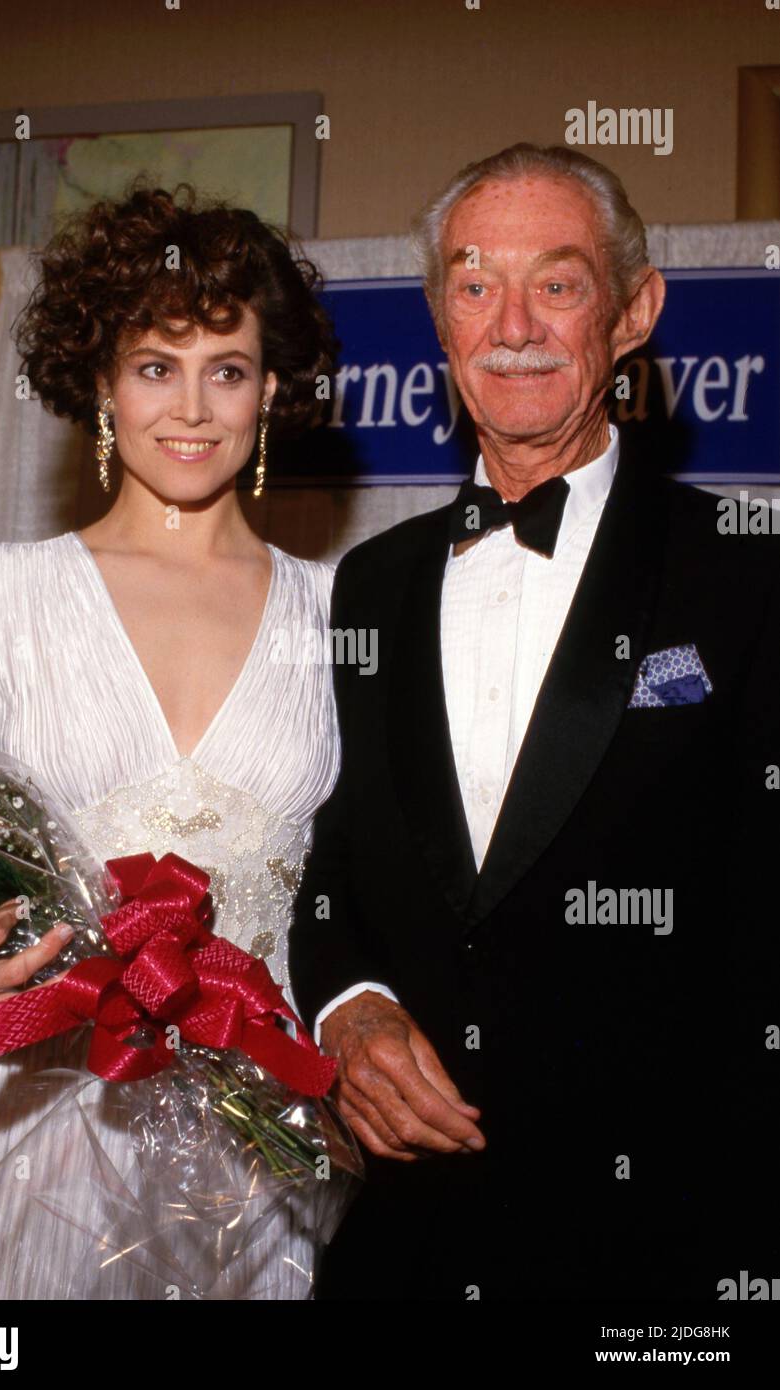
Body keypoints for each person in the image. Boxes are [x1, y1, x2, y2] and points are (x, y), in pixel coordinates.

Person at [289, 142, 780, 1300]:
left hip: (664, 1241)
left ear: (632, 311)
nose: (511, 324)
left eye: (555, 284)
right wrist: (349, 1007)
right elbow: (343, 852)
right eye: (473, 284)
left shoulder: (747, 575)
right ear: (438, 315)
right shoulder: (372, 581)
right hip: (402, 1236)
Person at [0, 181, 340, 1299]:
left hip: (260, 1145)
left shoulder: (339, 609)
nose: (191, 406)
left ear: (270, 387)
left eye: (226, 368)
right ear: (99, 381)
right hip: (42, 1121)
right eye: (155, 365)